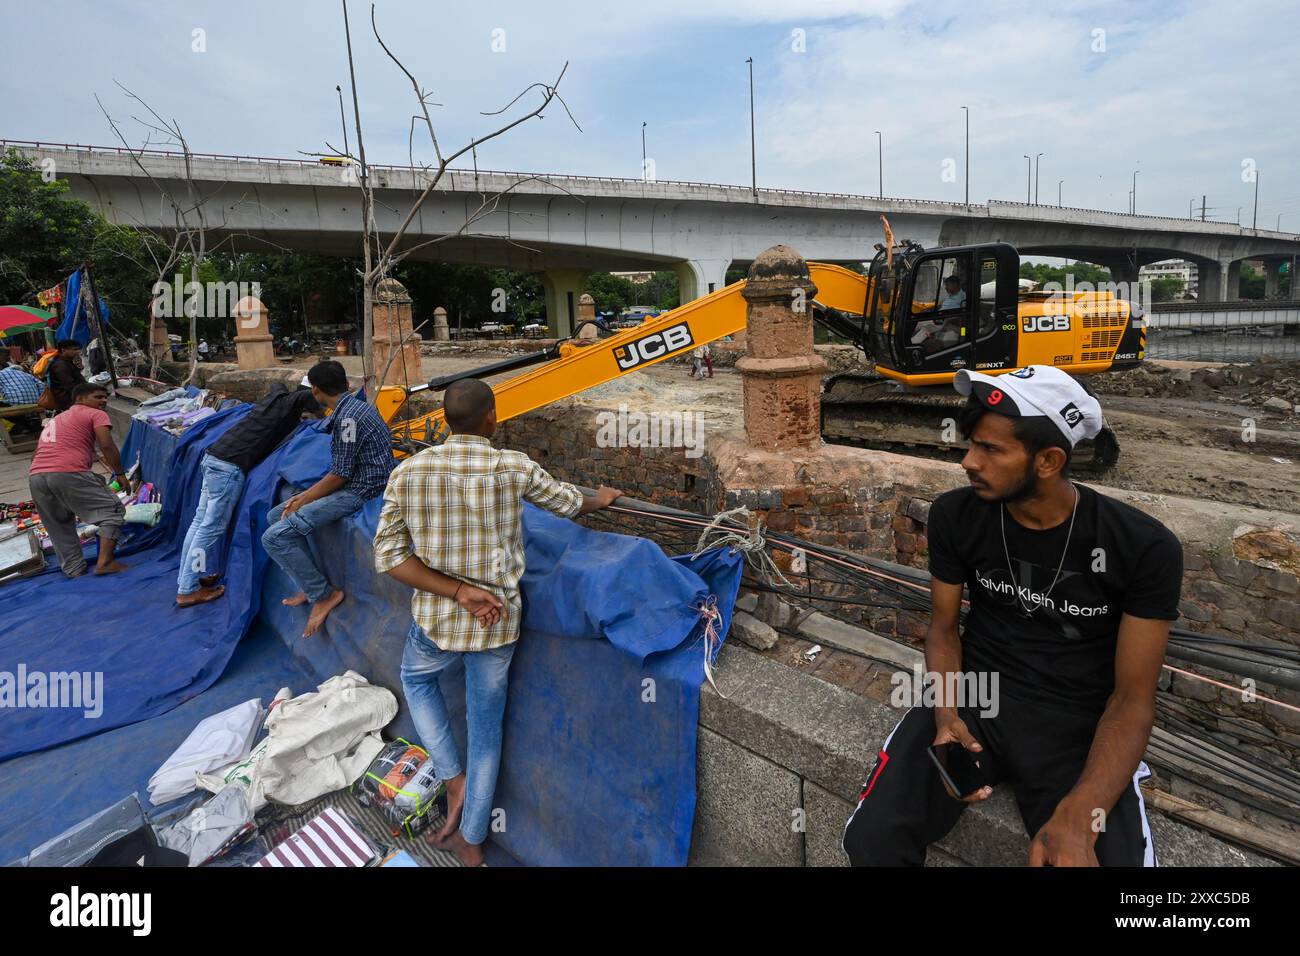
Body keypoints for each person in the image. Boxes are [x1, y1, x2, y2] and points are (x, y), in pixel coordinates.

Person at [842, 365, 1182, 867]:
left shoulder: (1141, 546)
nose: (968, 462)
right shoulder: (957, 516)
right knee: (872, 841)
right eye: (972, 444)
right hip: (979, 696)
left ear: (1048, 460)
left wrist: (1081, 812)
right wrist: (947, 716)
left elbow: (1132, 700)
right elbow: (943, 629)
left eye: (990, 450)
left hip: (1076, 725)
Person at [373, 378, 622, 867]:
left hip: (437, 620)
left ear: (445, 420)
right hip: (497, 624)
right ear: (492, 418)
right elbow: (569, 503)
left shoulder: (410, 471)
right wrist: (603, 497)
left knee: (416, 679)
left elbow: (389, 558)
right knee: (487, 732)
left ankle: (451, 776)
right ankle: (471, 840)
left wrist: (457, 591)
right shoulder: (512, 467)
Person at [262, 360, 394, 637]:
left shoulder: (348, 419)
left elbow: (340, 475)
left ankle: (324, 595)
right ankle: (311, 586)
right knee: (275, 516)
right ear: (346, 384)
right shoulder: (355, 407)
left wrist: (305, 498)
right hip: (355, 481)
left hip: (362, 490)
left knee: (273, 537)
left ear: (317, 391)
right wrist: (304, 499)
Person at [176, 383, 323, 607]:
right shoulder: (294, 401)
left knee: (199, 523)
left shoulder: (271, 403)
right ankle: (187, 590)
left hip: (213, 458)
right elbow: (313, 403)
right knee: (210, 528)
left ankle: (191, 579)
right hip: (227, 468)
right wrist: (323, 417)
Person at [27, 382, 128, 578]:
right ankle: (105, 562)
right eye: (98, 397)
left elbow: (36, 453)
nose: (104, 401)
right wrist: (120, 473)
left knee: (58, 525)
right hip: (68, 472)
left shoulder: (56, 419)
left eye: (105, 397)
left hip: (36, 475)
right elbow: (106, 445)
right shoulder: (95, 414)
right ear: (80, 399)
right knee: (112, 511)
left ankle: (74, 570)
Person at [47, 340, 86, 411]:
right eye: (74, 349)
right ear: (63, 350)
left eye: (78, 349)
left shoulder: (66, 362)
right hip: (68, 401)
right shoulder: (61, 365)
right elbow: (69, 385)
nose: (78, 351)